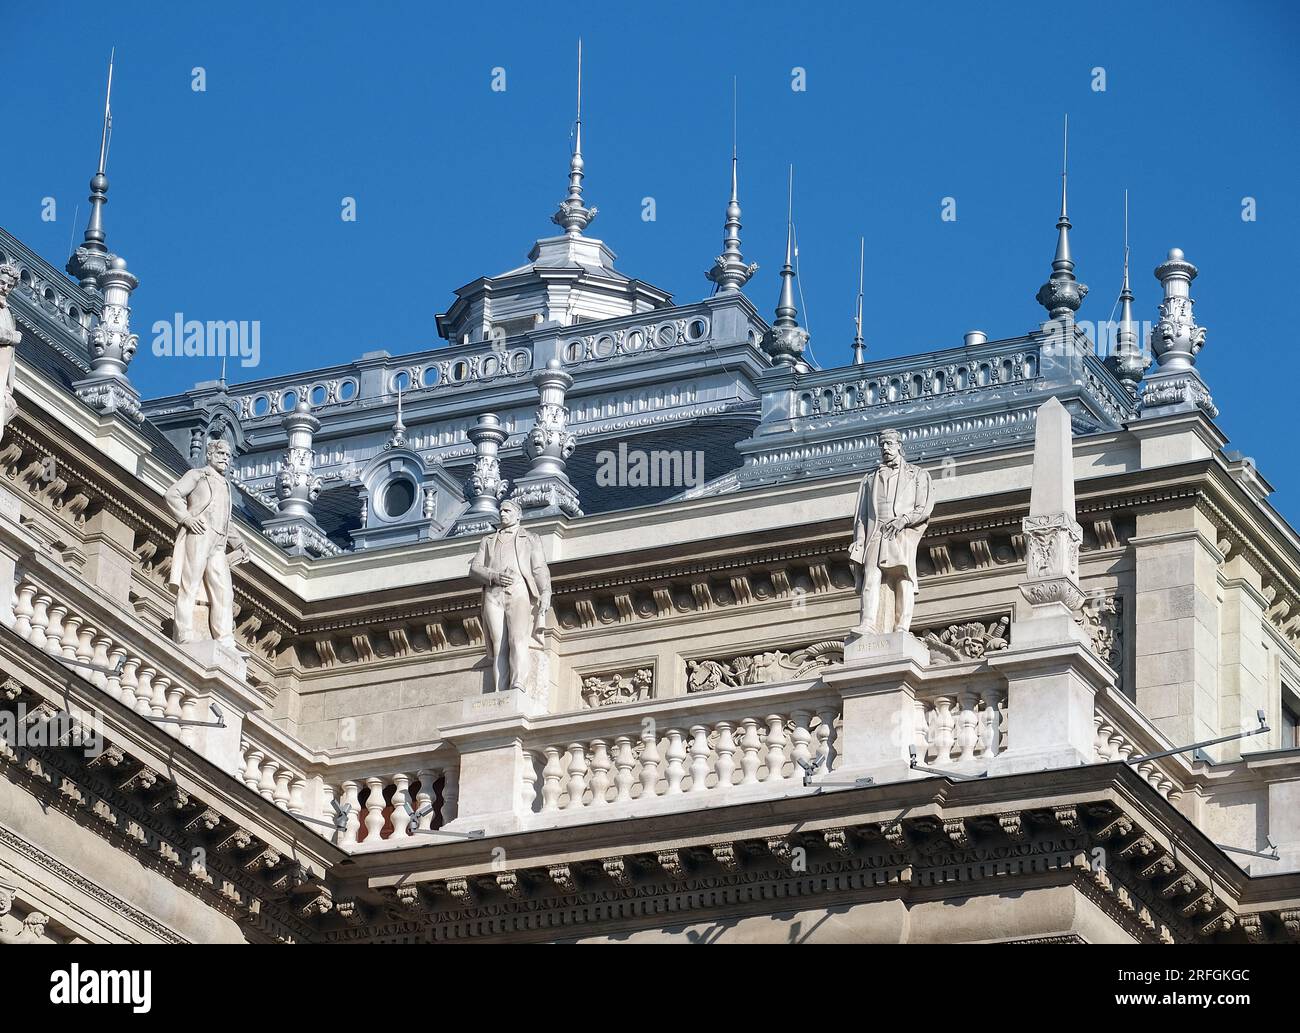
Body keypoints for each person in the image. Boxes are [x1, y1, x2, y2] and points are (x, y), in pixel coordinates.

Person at [165, 438, 249, 646]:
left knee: (224, 590)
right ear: (209, 455)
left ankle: (224, 639)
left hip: (218, 542)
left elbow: (225, 519)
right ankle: (184, 631)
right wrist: (186, 518)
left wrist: (239, 543)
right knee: (190, 584)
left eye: (228, 456)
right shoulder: (197, 475)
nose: (225, 459)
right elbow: (172, 494)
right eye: (221, 454)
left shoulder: (225, 485)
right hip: (200, 533)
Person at [849, 428, 933, 634]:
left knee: (903, 576)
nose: (885, 448)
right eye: (882, 445)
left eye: (889, 444)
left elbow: (924, 508)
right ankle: (868, 622)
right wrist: (859, 540)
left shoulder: (918, 475)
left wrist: (904, 520)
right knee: (871, 575)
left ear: (899, 446)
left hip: (902, 533)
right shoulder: (869, 480)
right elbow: (862, 516)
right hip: (876, 532)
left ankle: (902, 626)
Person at [469, 500, 551, 693]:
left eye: (507, 510)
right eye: (500, 510)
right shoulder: (488, 540)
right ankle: (499, 689)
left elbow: (539, 568)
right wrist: (494, 576)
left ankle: (518, 684)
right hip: (493, 593)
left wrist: (545, 591)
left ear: (518, 514)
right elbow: (474, 568)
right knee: (498, 643)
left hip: (519, 590)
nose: (502, 514)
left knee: (517, 639)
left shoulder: (530, 538)